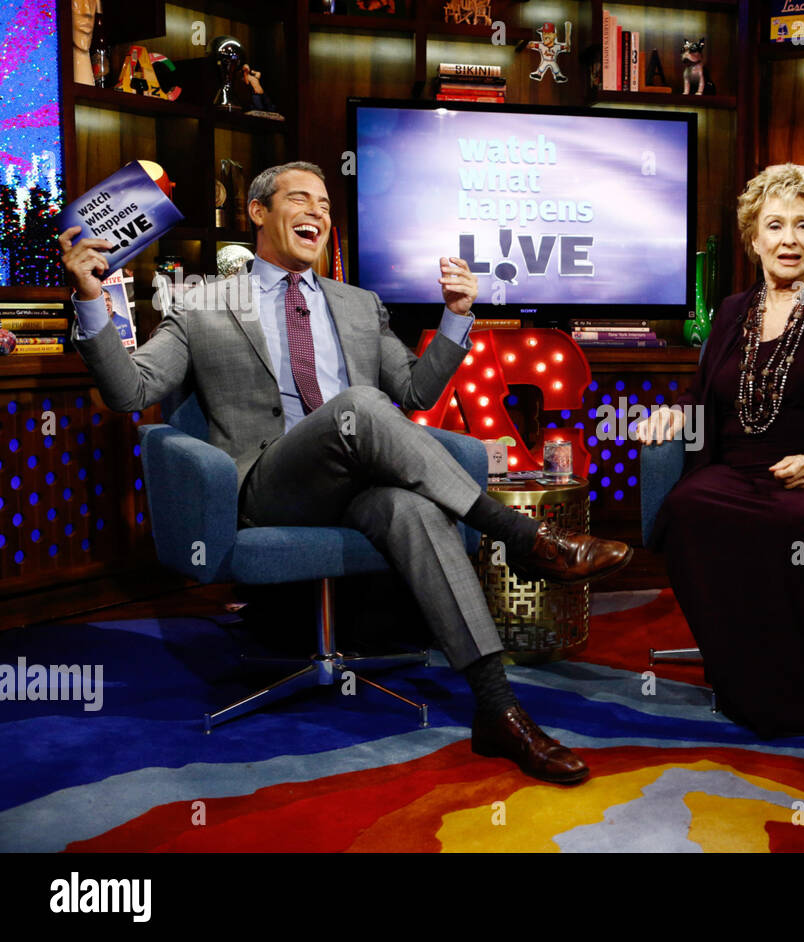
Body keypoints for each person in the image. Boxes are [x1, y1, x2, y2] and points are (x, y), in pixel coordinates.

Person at [58, 160, 631, 785]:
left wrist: (457, 316)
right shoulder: (204, 303)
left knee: (410, 504)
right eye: (299, 199)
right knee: (357, 406)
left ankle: (499, 709)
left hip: (356, 483)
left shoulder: (359, 305)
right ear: (257, 213)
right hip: (271, 487)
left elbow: (415, 390)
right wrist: (90, 299)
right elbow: (128, 391)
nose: (317, 213)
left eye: (326, 206)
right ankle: (522, 536)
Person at [636, 164, 804, 738]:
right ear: (754, 239)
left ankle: (801, 687)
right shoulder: (730, 312)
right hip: (733, 469)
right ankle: (737, 669)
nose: (789, 239)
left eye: (803, 226)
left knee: (790, 525)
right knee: (690, 508)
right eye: (775, 226)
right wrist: (675, 411)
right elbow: (702, 393)